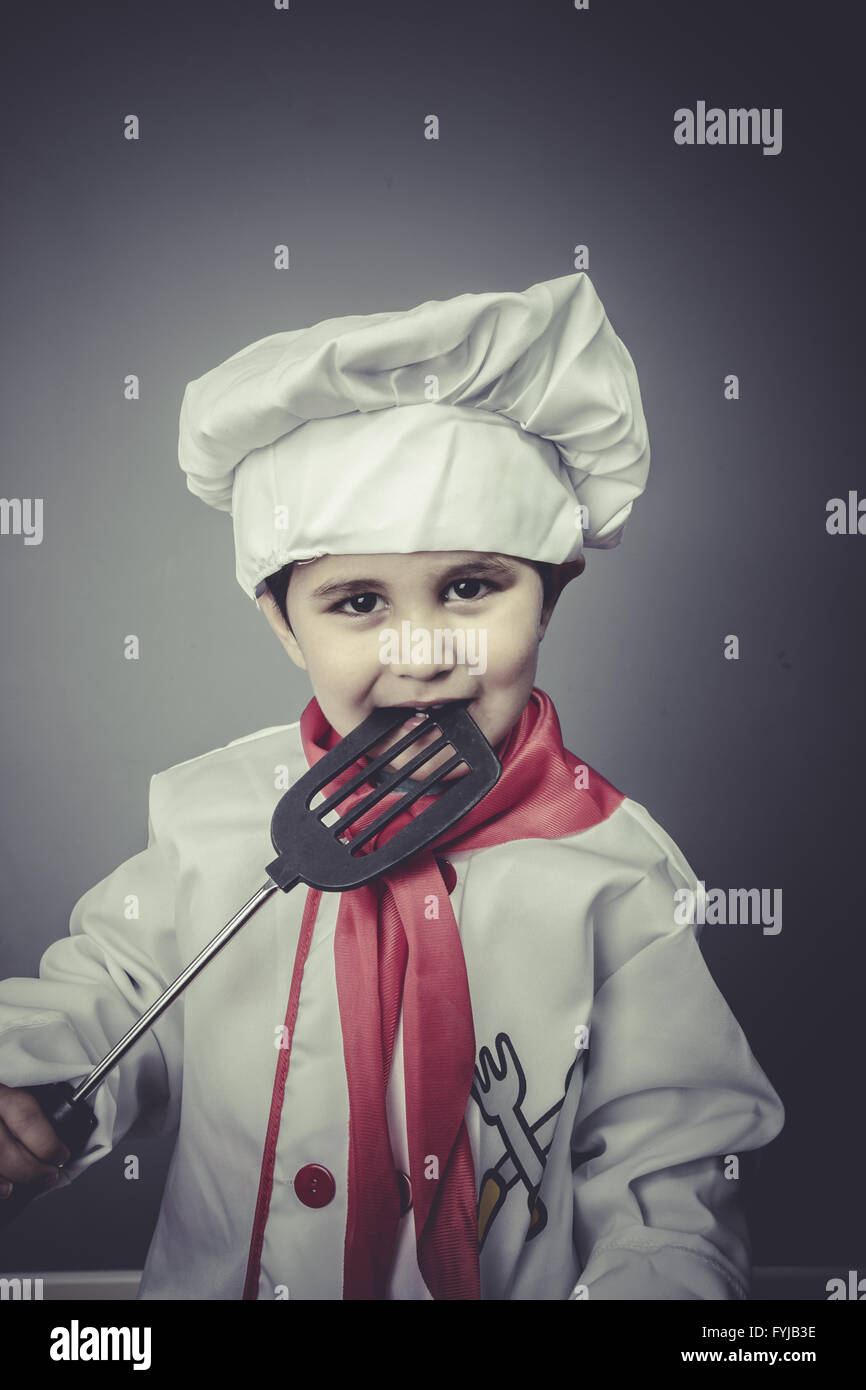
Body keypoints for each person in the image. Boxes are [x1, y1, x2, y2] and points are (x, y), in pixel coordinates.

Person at [0, 272, 784, 1300]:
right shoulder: (213, 815)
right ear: (283, 623)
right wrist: (26, 1075)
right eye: (357, 601)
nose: (419, 649)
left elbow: (662, 1166)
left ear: (550, 589)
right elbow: (118, 991)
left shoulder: (618, 871)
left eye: (470, 587)